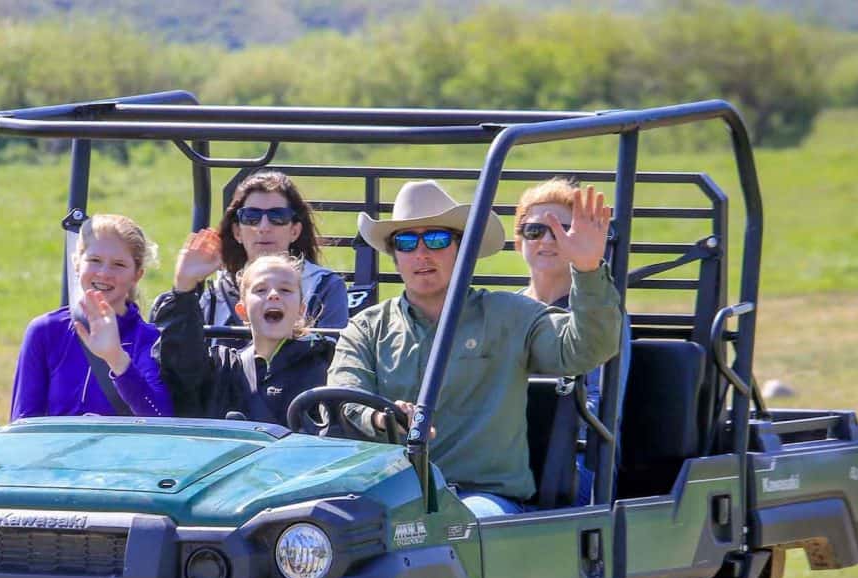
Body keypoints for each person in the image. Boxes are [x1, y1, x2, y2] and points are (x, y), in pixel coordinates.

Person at [327, 179, 621, 517]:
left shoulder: (511, 315)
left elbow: (586, 350)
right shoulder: (367, 327)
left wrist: (586, 270)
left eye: (436, 239)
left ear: (462, 249)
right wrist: (379, 418)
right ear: (395, 256)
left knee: (462, 528)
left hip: (482, 499)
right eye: (406, 242)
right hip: (391, 495)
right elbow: (342, 397)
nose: (421, 253)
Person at [514, 177, 632, 503]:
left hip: (576, 459)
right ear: (518, 241)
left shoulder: (601, 317)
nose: (547, 240)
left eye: (562, 231)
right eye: (534, 231)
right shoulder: (504, 310)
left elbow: (598, 407)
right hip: (502, 450)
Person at [151, 242, 335, 425]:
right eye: (260, 290)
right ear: (242, 311)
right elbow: (180, 363)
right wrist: (183, 289)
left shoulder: (324, 361)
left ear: (301, 310)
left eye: (285, 290)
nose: (273, 295)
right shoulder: (223, 368)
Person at [9, 214, 171, 419]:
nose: (104, 273)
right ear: (77, 264)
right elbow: (23, 425)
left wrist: (117, 360)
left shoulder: (150, 340)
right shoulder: (46, 332)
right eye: (95, 260)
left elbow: (160, 420)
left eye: (119, 264)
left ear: (137, 275)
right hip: (59, 451)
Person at [171, 171, 349, 332]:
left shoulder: (324, 287)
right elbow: (177, 360)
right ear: (237, 232)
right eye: (251, 217)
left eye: (277, 217)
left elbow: (330, 360)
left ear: (295, 231)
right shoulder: (216, 291)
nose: (263, 227)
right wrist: (183, 285)